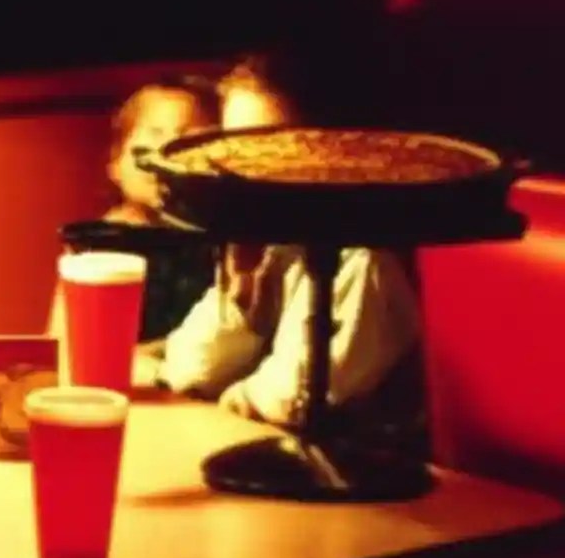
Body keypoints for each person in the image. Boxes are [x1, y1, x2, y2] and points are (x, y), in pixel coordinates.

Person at [156, 52, 427, 456]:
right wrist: (239, 300)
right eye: (235, 151)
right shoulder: (273, 248)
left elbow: (287, 404)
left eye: (272, 149)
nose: (244, 174)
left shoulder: (366, 260)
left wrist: (232, 394)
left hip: (367, 486)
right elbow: (187, 372)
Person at [49, 74, 220, 344]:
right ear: (115, 164)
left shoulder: (217, 246)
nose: (164, 152)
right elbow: (62, 342)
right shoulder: (97, 243)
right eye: (154, 134)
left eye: (187, 138)